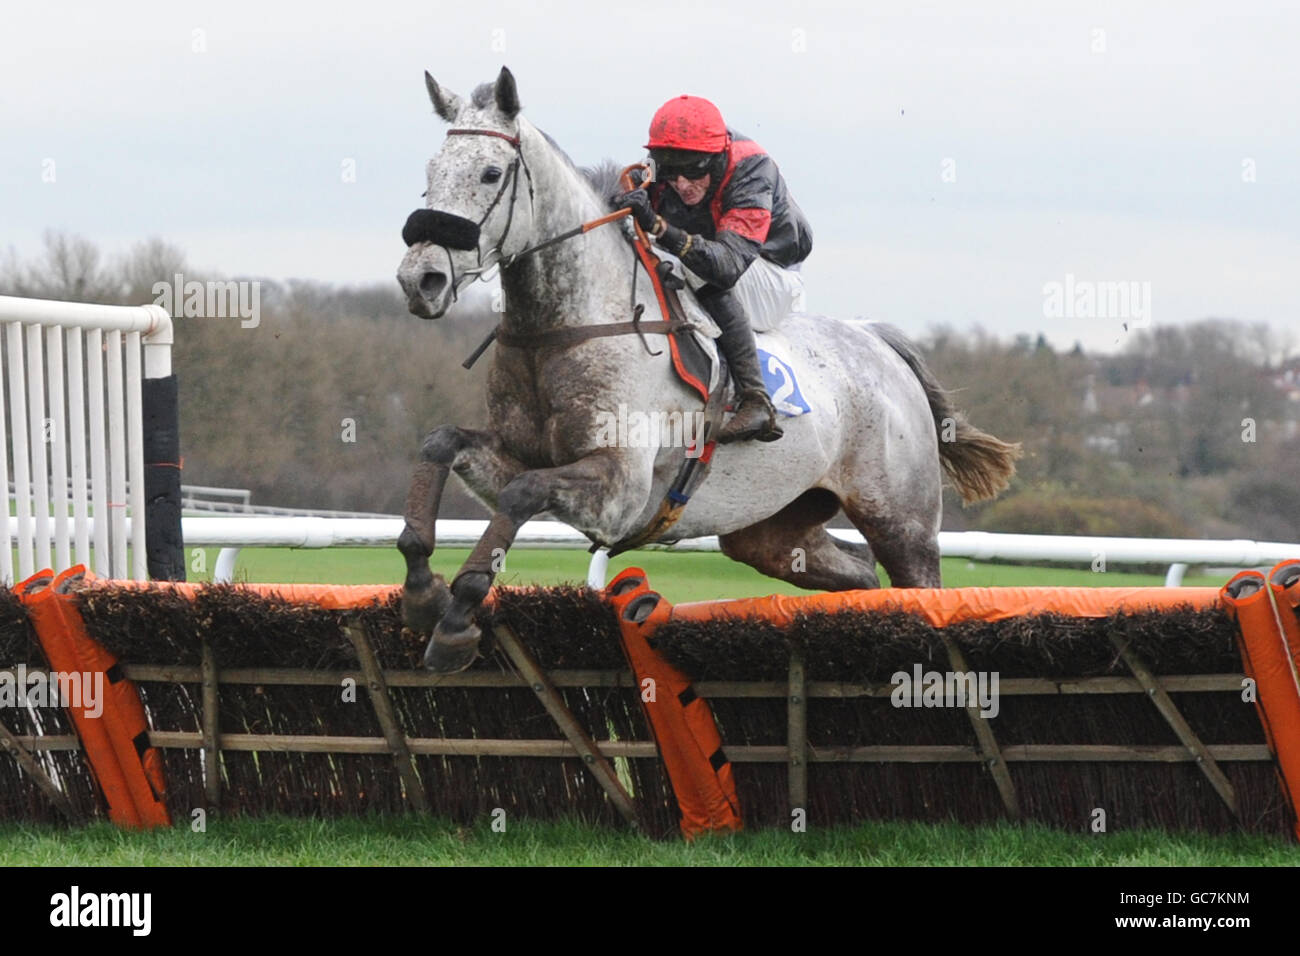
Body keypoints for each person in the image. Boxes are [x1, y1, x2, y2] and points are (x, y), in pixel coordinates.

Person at [612, 94, 813, 443]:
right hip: (721, 257)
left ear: (717, 158)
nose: (682, 184)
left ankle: (756, 399)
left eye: (694, 172)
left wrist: (659, 226)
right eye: (672, 173)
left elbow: (727, 267)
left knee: (691, 268)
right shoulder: (666, 168)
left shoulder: (752, 169)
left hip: (772, 273)